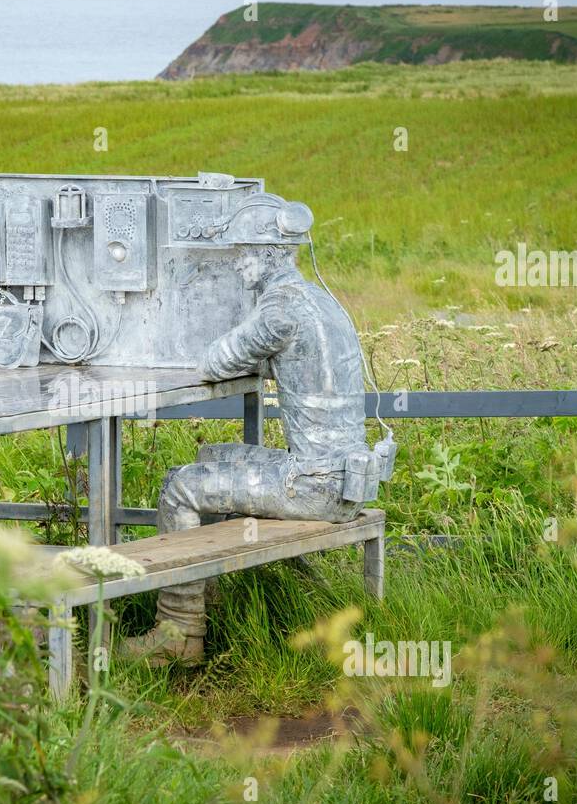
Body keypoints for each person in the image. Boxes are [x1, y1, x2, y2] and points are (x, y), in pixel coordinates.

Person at [119, 195, 389, 666]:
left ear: (268, 253)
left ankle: (177, 635)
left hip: (311, 486)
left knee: (181, 487)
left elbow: (215, 360)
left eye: (243, 251)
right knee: (213, 459)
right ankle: (212, 606)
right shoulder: (321, 301)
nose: (236, 262)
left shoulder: (279, 311)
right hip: (346, 478)